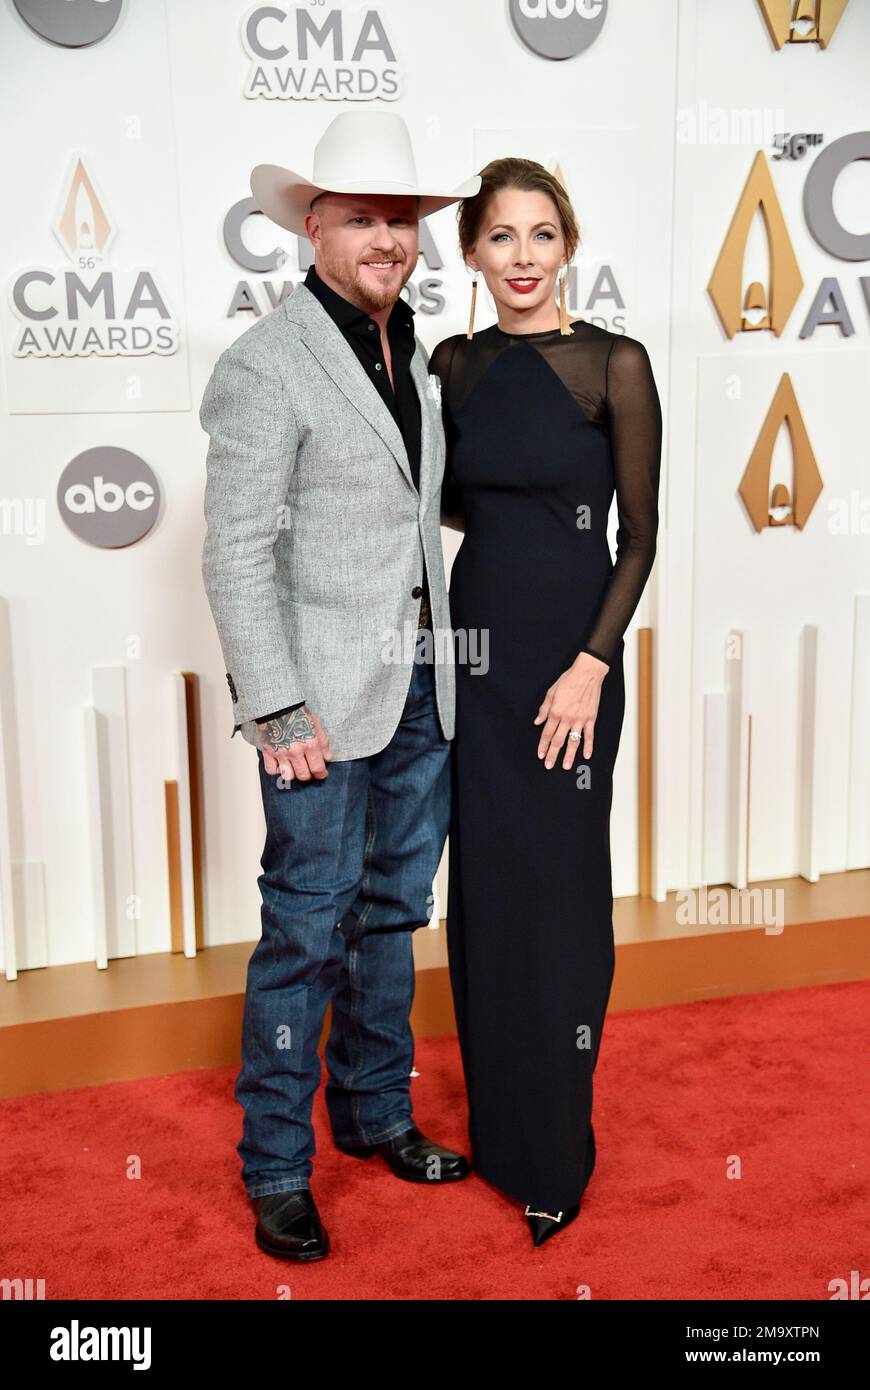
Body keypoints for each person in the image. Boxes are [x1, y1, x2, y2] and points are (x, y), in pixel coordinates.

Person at [199, 110, 481, 1261]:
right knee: (305, 927)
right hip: (313, 701)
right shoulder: (264, 362)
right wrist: (274, 707)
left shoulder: (408, 347)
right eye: (362, 218)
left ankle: (373, 1113)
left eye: (403, 219)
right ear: (312, 227)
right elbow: (233, 548)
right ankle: (275, 1164)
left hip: (422, 684)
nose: (388, 238)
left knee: (391, 912)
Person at [429, 158, 662, 1246]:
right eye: (501, 238)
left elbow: (640, 537)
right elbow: (462, 512)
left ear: (568, 245)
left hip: (575, 669)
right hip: (480, 663)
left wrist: (592, 661)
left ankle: (556, 1145)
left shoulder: (614, 364)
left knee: (563, 896)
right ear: (472, 253)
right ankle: (502, 1129)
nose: (523, 257)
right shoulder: (455, 366)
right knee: (488, 891)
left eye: (542, 235)